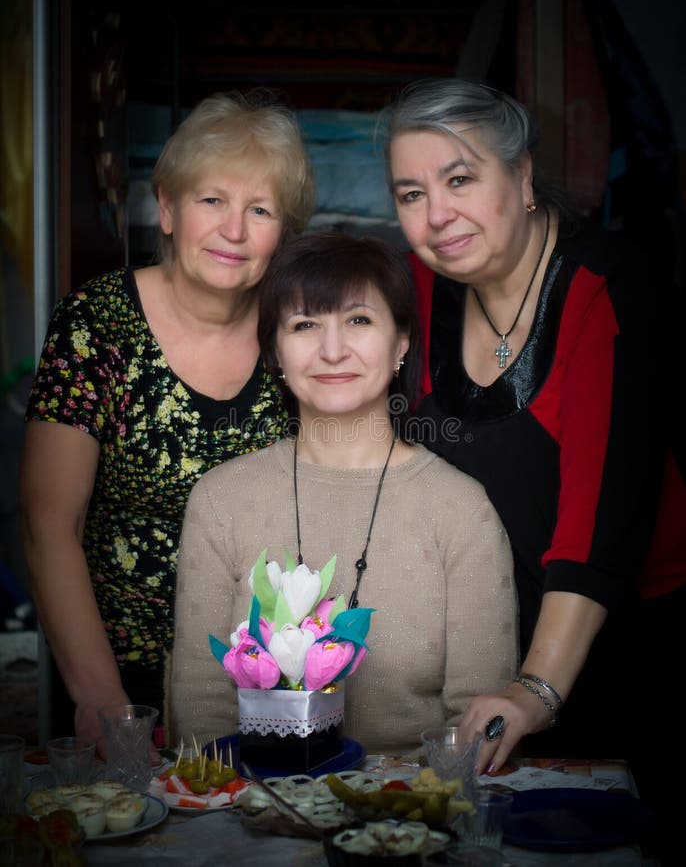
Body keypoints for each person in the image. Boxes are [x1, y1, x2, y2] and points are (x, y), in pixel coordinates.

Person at [383, 77, 686, 861]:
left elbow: (601, 513)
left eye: (459, 180)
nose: (436, 216)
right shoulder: (418, 288)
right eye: (410, 193)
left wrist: (538, 686)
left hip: (626, 641)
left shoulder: (607, 287)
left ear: (521, 178)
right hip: (488, 645)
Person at [19, 89, 316, 753]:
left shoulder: (297, 332)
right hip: (119, 682)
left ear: (283, 234)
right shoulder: (97, 322)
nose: (234, 231)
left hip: (269, 685)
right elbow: (48, 523)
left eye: (260, 210)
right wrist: (102, 702)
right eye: (212, 200)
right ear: (169, 207)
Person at [170, 230, 518, 753]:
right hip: (251, 803)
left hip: (412, 813)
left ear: (401, 341)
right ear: (275, 353)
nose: (333, 351)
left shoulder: (460, 510)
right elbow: (201, 711)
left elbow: (473, 722)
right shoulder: (221, 501)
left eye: (359, 320)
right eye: (305, 325)